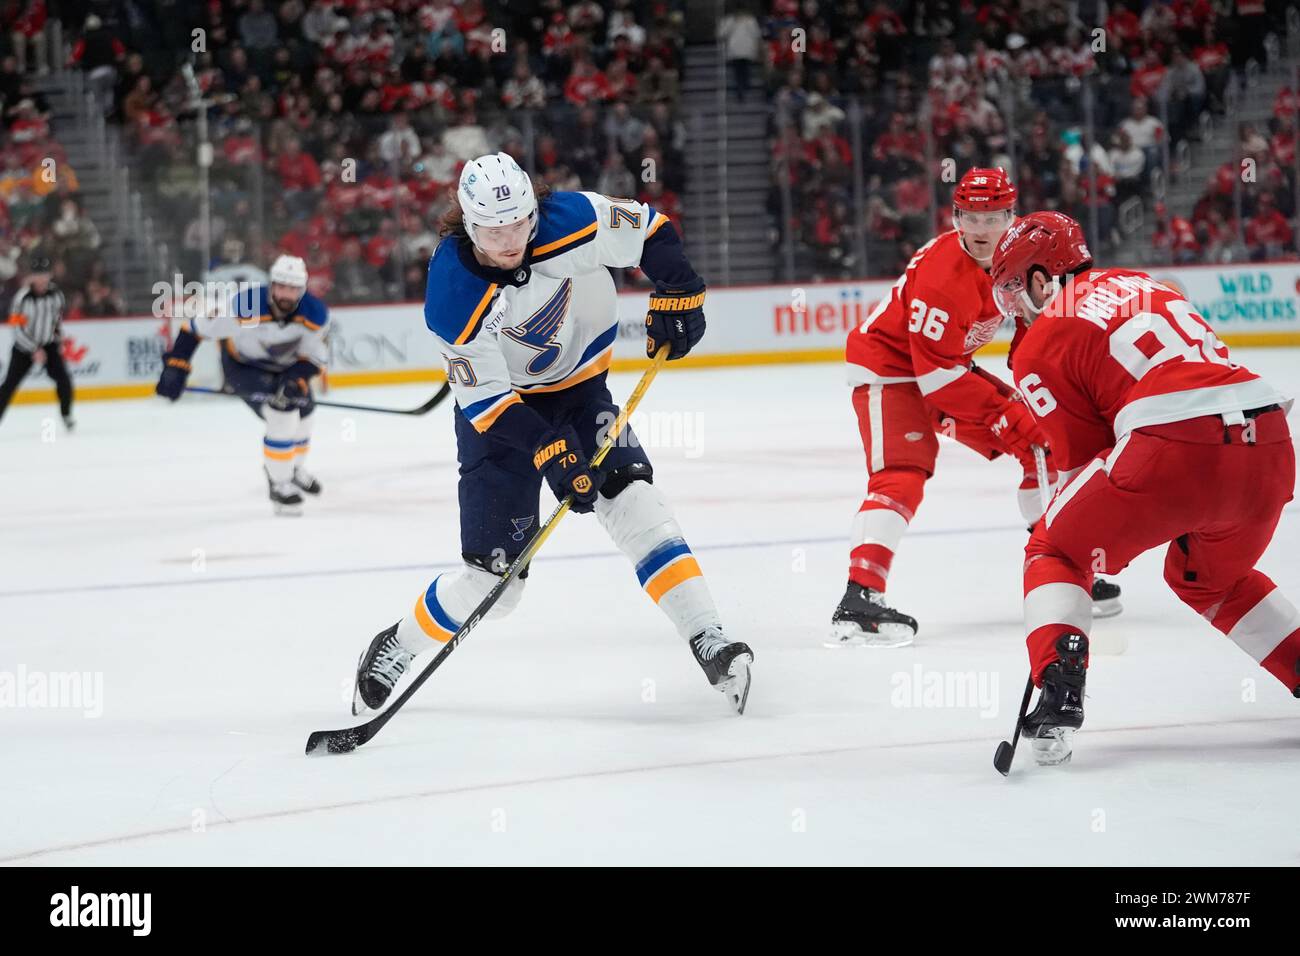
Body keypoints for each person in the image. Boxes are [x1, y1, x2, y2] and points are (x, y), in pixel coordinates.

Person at [350, 152, 754, 716]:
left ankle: (709, 637)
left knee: (633, 496)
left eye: (518, 223)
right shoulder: (452, 290)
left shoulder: (570, 217)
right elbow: (487, 401)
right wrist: (547, 448)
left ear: (533, 210)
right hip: (502, 421)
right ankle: (399, 643)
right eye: (493, 230)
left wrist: (679, 288)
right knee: (498, 582)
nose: (509, 239)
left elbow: (651, 231)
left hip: (581, 389)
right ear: (469, 224)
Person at [991, 211, 1297, 765]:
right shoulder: (1143, 284)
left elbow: (1080, 463)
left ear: (1041, 279)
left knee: (1053, 547)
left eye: (1014, 290)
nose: (1016, 311)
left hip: (1174, 442)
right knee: (1209, 580)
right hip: (1270, 442)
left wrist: (1081, 547)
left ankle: (1059, 684)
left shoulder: (1040, 342)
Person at [835, 168, 1122, 648]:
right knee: (903, 472)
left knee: (1041, 444)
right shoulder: (943, 279)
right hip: (892, 369)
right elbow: (934, 376)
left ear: (1013, 214)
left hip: (943, 370)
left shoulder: (1018, 255)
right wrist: (1000, 411)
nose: (983, 228)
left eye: (995, 216)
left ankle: (1060, 567)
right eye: (972, 216)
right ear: (955, 217)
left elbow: (1029, 327)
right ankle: (859, 598)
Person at [154, 255, 328, 516]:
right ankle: (279, 485)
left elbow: (313, 357)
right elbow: (194, 328)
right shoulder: (245, 305)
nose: (285, 294)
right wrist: (176, 367)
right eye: (281, 286)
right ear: (272, 285)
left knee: (306, 414)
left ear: (302, 290)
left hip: (286, 369)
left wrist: (297, 378)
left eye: (292, 288)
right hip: (244, 367)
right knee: (281, 414)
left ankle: (293, 470)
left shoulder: (315, 314)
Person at [0, 253, 73, 429]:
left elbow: (56, 319)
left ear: (50, 275)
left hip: (48, 345)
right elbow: (16, 328)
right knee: (9, 384)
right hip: (24, 347)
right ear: (30, 277)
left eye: (44, 274)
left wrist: (58, 336)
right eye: (37, 275)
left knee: (64, 380)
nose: (41, 279)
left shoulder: (56, 295)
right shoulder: (21, 298)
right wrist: (34, 349)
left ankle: (66, 415)